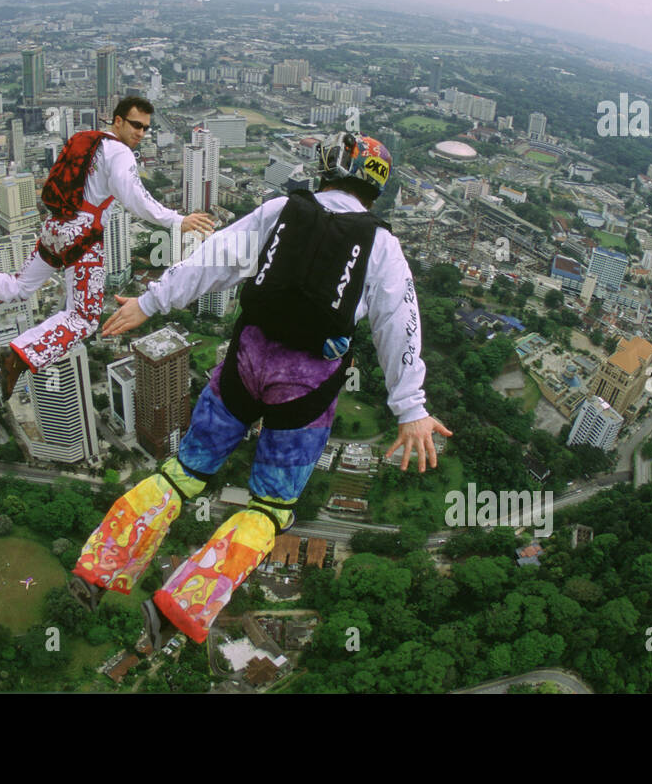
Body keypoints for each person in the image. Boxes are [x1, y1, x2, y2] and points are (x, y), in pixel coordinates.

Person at [71, 131, 452, 649]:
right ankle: (178, 610)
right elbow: (399, 327)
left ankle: (98, 570)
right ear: (375, 189)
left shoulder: (282, 210)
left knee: (182, 473)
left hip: (243, 365)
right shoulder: (382, 246)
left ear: (326, 170)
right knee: (269, 508)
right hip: (306, 389)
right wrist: (411, 407)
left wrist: (150, 302)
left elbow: (215, 260)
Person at [0, 96, 213, 398]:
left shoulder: (87, 141)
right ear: (118, 121)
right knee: (85, 318)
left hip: (56, 227)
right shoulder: (120, 154)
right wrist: (177, 220)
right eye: (136, 125)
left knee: (20, 285)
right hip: (83, 236)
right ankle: (19, 356)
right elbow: (136, 198)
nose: (141, 133)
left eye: (146, 129)